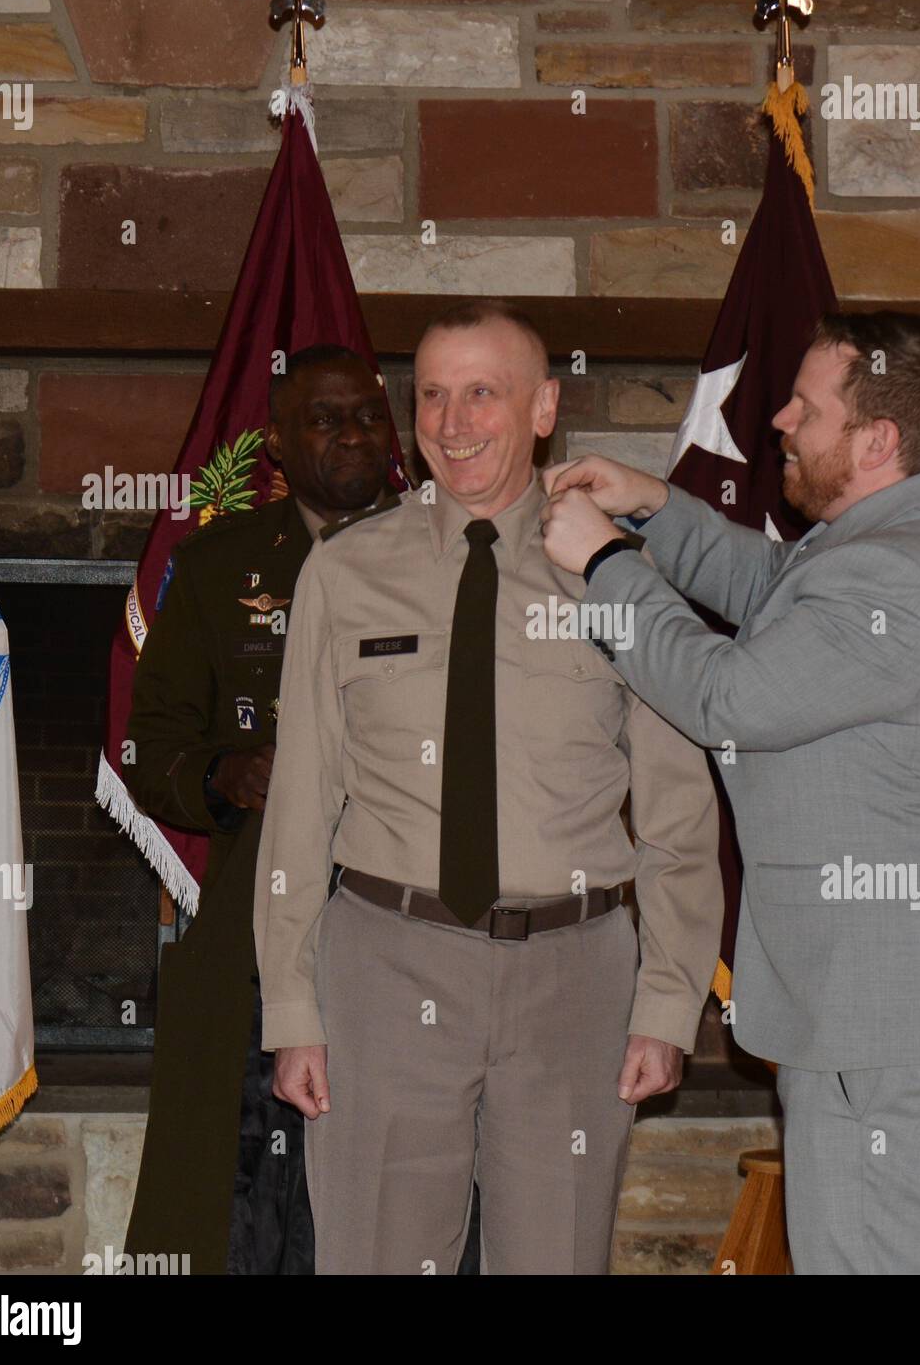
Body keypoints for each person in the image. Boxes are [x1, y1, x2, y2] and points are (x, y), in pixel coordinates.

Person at [540, 309, 920, 1275]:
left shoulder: (897, 570)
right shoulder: (912, 534)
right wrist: (658, 509)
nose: (779, 421)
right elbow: (777, 597)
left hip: (886, 1033)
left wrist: (607, 564)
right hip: (896, 1020)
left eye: (807, 406)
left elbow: (726, 693)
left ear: (877, 440)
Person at [254, 298, 724, 1275]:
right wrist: (292, 1009)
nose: (452, 421)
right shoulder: (344, 574)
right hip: (384, 969)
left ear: (544, 407)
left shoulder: (619, 576)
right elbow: (301, 806)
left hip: (574, 977)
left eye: (483, 393)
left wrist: (668, 1000)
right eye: (431, 394)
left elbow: (679, 810)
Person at [122, 344, 394, 1274]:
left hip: (413, 922)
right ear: (275, 445)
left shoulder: (446, 554)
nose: (354, 434)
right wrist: (228, 773)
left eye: (369, 414)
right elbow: (147, 754)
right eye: (325, 418)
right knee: (235, 1201)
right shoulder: (218, 565)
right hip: (253, 913)